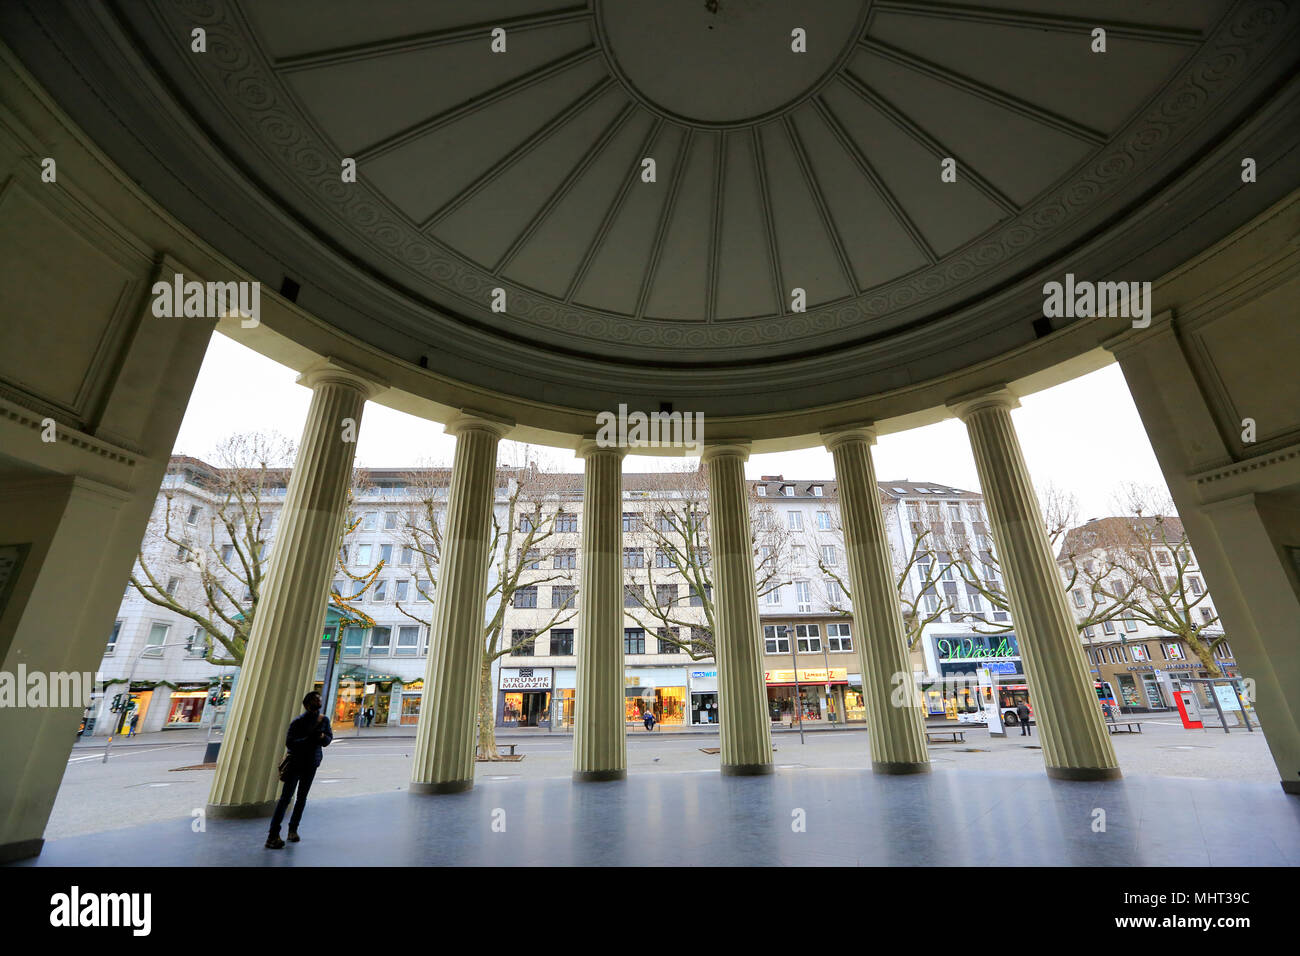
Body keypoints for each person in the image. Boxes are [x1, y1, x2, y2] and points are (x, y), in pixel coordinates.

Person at [267, 690, 333, 849]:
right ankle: (273, 834)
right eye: (316, 699)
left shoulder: (324, 720)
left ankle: (292, 830)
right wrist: (308, 739)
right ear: (307, 704)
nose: (319, 701)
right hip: (297, 763)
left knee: (301, 798)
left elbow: (328, 739)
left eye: (319, 699)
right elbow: (290, 743)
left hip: (311, 764)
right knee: (286, 798)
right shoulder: (298, 722)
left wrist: (322, 737)